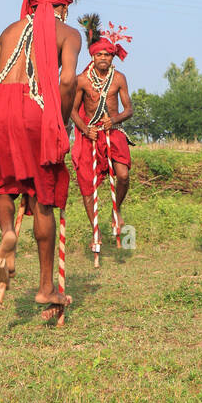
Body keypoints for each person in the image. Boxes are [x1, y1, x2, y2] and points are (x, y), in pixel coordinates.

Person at [0, 0, 82, 323]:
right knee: (43, 200)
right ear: (63, 8)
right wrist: (62, 118)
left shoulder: (10, 29)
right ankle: (44, 287)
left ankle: (7, 232)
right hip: (35, 111)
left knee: (2, 186)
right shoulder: (68, 33)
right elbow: (68, 79)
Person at [70, 15, 134, 248]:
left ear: (112, 56)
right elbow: (73, 111)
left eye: (107, 54)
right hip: (91, 135)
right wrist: (86, 130)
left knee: (124, 176)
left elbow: (129, 109)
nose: (104, 58)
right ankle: (94, 229)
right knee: (88, 185)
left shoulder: (119, 78)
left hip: (114, 131)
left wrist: (113, 120)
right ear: (93, 56)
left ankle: (117, 209)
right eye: (99, 55)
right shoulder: (82, 80)